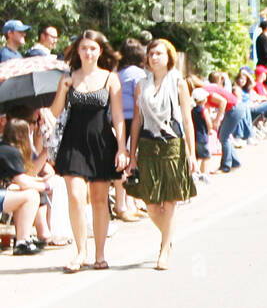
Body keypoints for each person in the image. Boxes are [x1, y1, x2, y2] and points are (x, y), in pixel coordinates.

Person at [49, 30, 129, 271]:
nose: (88, 52)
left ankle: (100, 254)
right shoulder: (68, 77)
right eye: (84, 48)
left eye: (93, 48)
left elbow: (118, 116)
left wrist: (122, 148)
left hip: (101, 142)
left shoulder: (110, 79)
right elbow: (54, 113)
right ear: (78, 51)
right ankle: (80, 251)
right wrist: (63, 90)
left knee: (98, 199)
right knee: (75, 196)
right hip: (74, 143)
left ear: (100, 51)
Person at [126, 39, 197, 270]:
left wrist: (191, 153)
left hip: (172, 143)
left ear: (169, 56)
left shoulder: (178, 83)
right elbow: (137, 120)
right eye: (151, 53)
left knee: (170, 201)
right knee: (152, 204)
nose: (154, 57)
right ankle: (169, 235)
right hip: (147, 144)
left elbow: (187, 119)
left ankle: (164, 247)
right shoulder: (141, 85)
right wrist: (132, 152)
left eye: (159, 53)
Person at [113, 39, 148, 222]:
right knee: (129, 162)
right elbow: (140, 100)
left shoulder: (118, 73)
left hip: (118, 120)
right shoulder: (137, 74)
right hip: (132, 120)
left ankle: (130, 203)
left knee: (126, 162)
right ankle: (124, 204)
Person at [0, 116, 44, 254]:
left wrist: (40, 182)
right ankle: (22, 241)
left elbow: (19, 178)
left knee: (24, 194)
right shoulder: (10, 152)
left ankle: (22, 238)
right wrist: (45, 186)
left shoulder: (5, 148)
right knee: (31, 196)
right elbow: (22, 181)